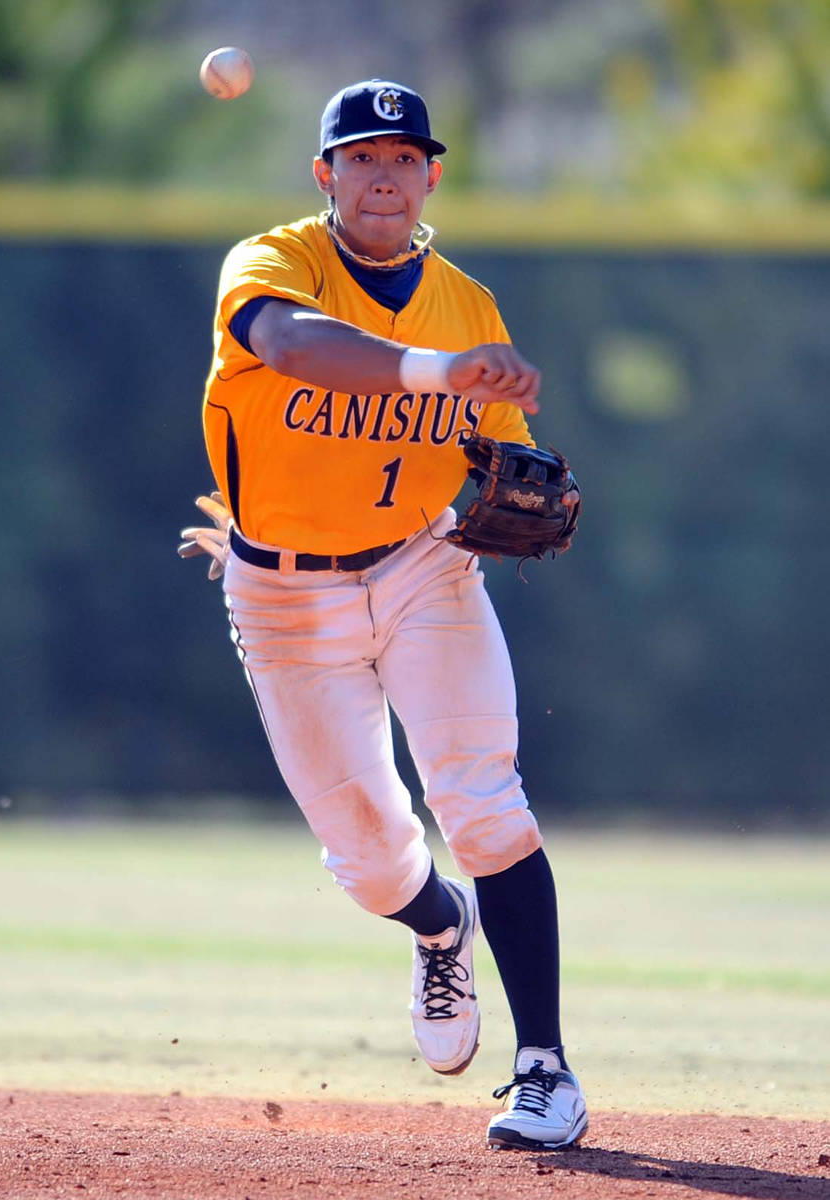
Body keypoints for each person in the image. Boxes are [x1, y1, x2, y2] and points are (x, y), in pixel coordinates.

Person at [179, 78, 587, 1151]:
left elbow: (495, 449)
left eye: (404, 158)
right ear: (325, 175)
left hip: (421, 570)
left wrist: (520, 467)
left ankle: (544, 1068)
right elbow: (296, 348)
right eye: (361, 158)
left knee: (485, 805)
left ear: (431, 175)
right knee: (369, 864)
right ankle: (437, 926)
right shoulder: (271, 264)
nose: (383, 176)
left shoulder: (465, 301)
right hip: (280, 595)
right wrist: (435, 372)